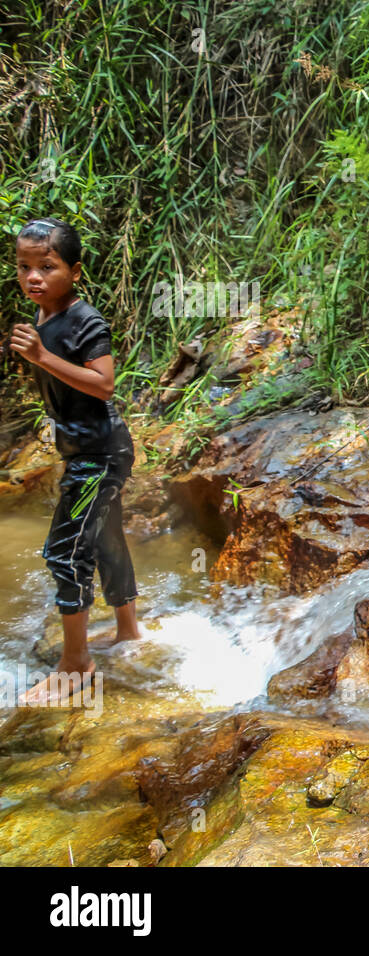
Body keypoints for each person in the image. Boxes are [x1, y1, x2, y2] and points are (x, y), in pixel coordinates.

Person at [6, 217, 140, 704]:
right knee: (105, 536)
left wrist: (41, 356)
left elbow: (104, 383)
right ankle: (128, 631)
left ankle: (75, 664)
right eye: (24, 267)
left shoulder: (85, 319)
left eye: (47, 266)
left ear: (75, 271)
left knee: (64, 551)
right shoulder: (44, 317)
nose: (33, 277)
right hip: (87, 451)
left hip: (100, 455)